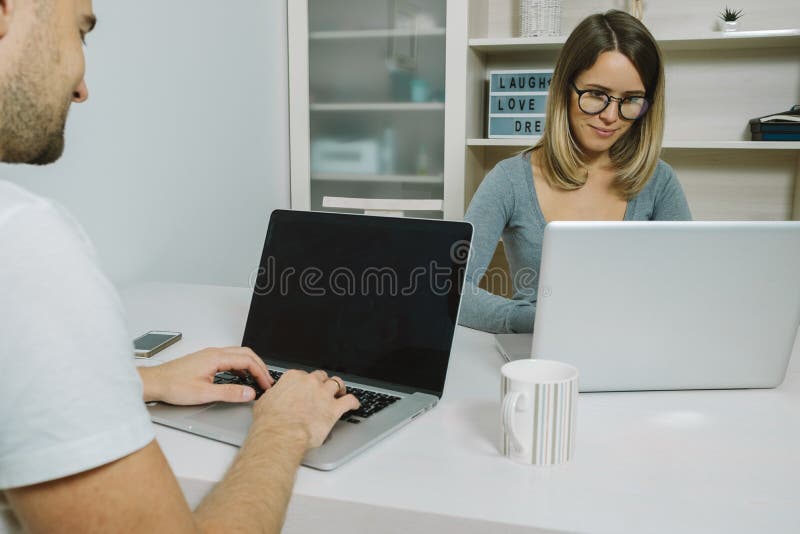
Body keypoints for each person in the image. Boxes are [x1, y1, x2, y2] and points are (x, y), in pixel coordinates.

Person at [0, 1, 358, 532]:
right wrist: (284, 427)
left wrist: (136, 381)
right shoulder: (21, 242)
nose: (82, 87)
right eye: (80, 31)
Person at [459, 9, 692, 334]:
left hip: (635, 353)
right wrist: (531, 320)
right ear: (562, 89)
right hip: (540, 359)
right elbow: (450, 289)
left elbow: (687, 290)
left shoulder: (659, 182)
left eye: (631, 100)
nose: (611, 116)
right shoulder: (509, 179)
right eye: (596, 94)